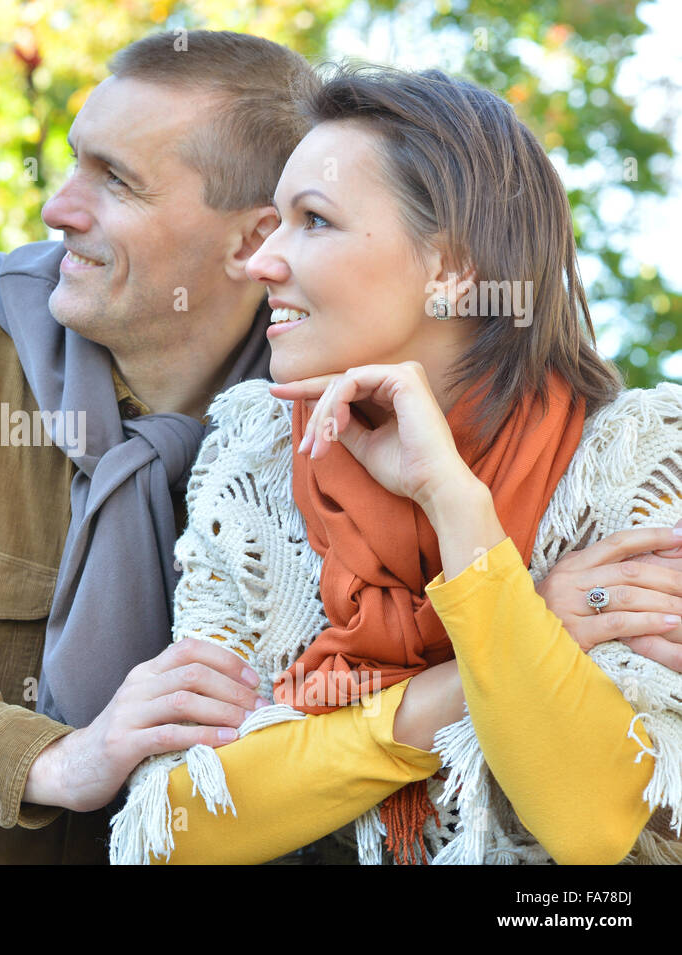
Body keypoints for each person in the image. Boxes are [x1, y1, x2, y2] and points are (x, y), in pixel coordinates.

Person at [0, 32, 682, 865]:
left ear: (247, 239)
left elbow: (603, 831)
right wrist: (53, 757)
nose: (56, 208)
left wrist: (496, 593)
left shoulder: (346, 390)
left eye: (115, 179)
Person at [110, 65, 682, 865]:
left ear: (451, 272)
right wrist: (526, 631)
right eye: (275, 221)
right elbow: (177, 828)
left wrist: (452, 498)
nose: (262, 261)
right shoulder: (258, 447)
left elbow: (593, 825)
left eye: (313, 221)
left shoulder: (634, 461)